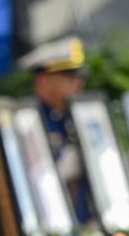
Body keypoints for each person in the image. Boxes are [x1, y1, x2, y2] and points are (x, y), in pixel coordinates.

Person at [18, 37, 92, 223]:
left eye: (79, 77)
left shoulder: (66, 116)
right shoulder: (26, 122)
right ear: (43, 80)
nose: (78, 84)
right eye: (70, 77)